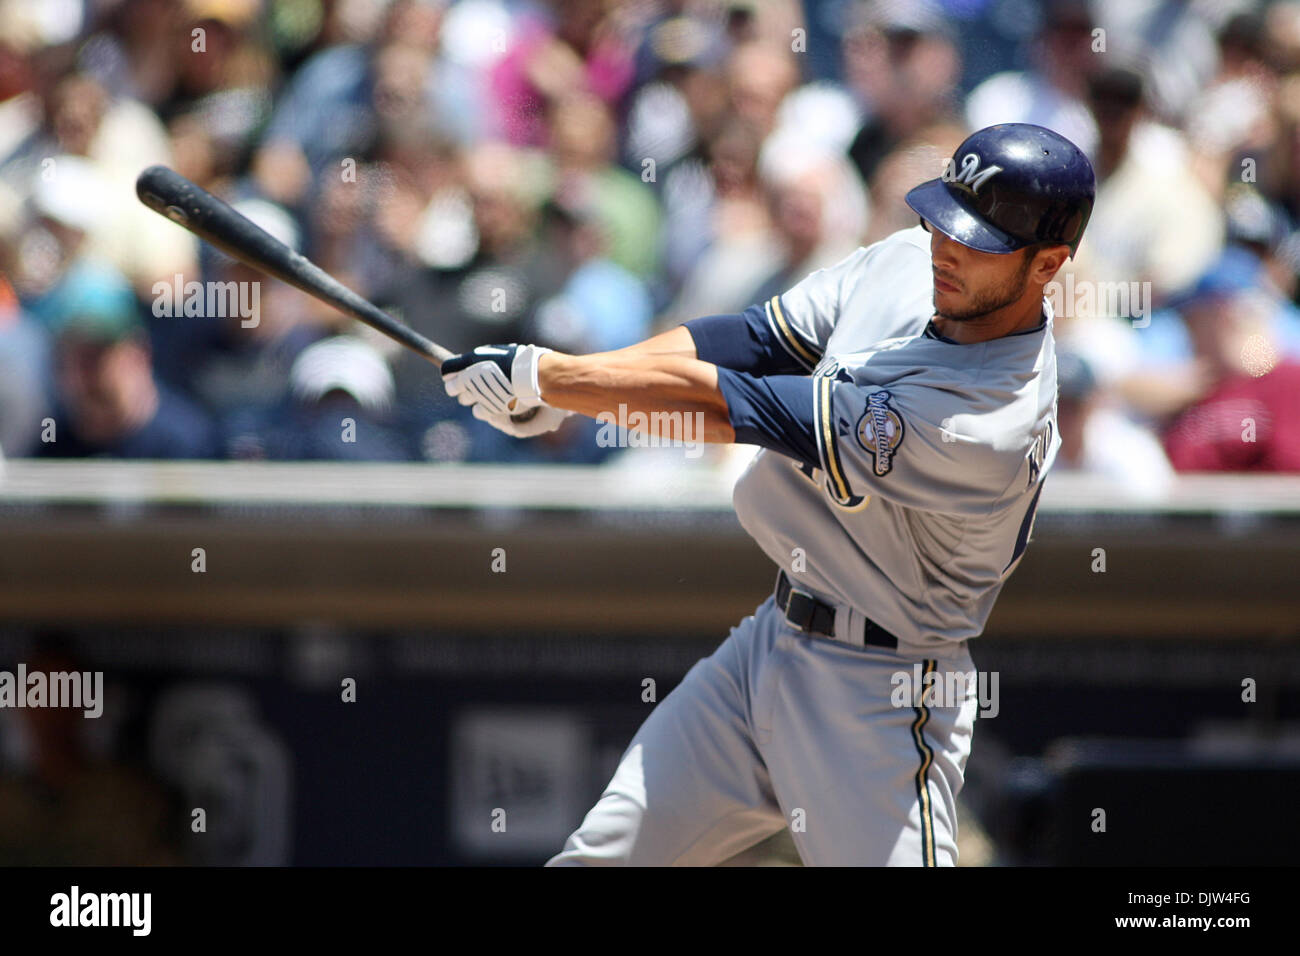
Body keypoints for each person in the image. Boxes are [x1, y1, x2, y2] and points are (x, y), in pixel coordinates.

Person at [440, 123, 1094, 866]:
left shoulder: (987, 419)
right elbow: (751, 341)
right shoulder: (915, 260)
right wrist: (577, 382)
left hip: (880, 691)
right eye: (945, 220)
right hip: (769, 644)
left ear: (1048, 264)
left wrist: (557, 381)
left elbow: (737, 408)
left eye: (979, 239)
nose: (946, 246)